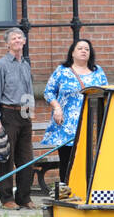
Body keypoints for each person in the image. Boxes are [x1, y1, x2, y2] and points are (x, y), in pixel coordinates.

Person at [40, 38, 108, 185]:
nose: (84, 51)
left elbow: (107, 94)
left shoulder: (98, 71)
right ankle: (67, 190)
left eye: (87, 49)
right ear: (72, 53)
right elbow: (48, 92)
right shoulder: (62, 71)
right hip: (67, 125)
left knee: (89, 158)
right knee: (67, 160)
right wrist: (57, 107)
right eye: (80, 48)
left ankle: (87, 189)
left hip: (91, 123)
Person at [0, 27, 35, 210]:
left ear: (24, 41)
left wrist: (29, 113)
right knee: (6, 158)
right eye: (13, 38)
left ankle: (24, 197)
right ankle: (7, 199)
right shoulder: (1, 65)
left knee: (26, 159)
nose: (17, 40)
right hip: (7, 115)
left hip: (24, 114)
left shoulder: (25, 64)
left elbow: (29, 90)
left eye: (20, 37)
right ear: (7, 43)